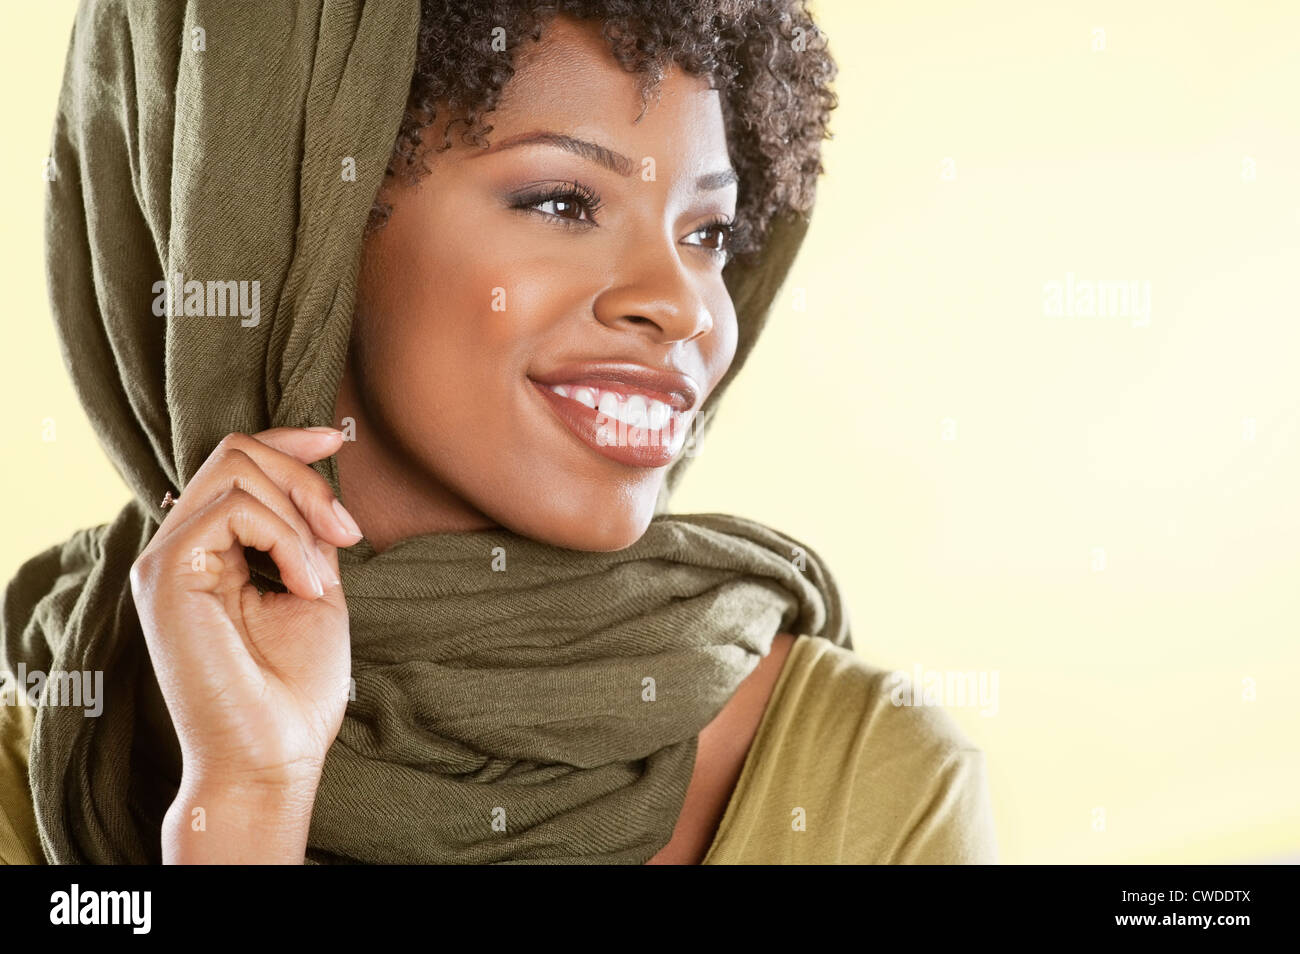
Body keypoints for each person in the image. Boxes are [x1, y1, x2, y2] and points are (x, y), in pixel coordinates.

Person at [0, 0, 997, 864]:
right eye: (564, 201)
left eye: (707, 234)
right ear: (302, 224)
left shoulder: (870, 772)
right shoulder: (41, 778)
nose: (685, 305)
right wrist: (243, 804)